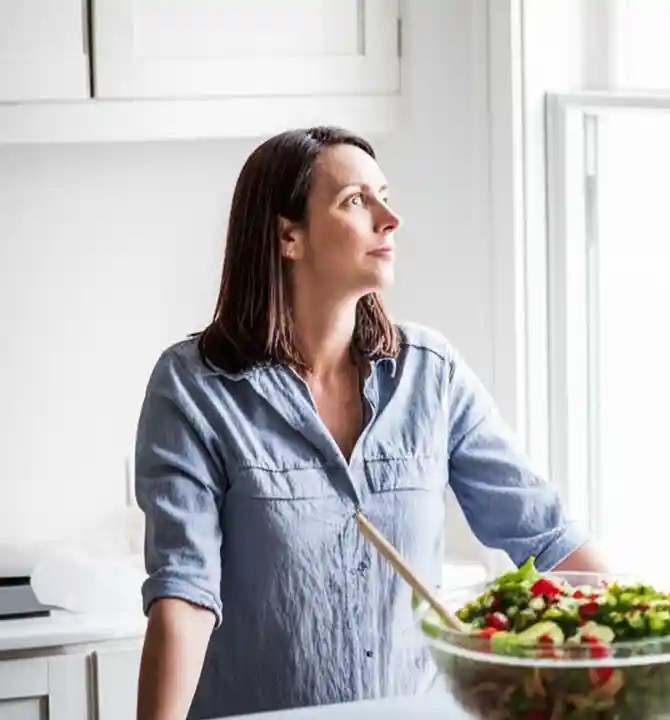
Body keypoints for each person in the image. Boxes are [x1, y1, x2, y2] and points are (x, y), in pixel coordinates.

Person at [132, 126, 615, 719]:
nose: (390, 218)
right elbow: (185, 592)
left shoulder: (430, 374)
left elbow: (542, 535)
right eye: (356, 200)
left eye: (384, 195)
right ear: (289, 236)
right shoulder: (194, 388)